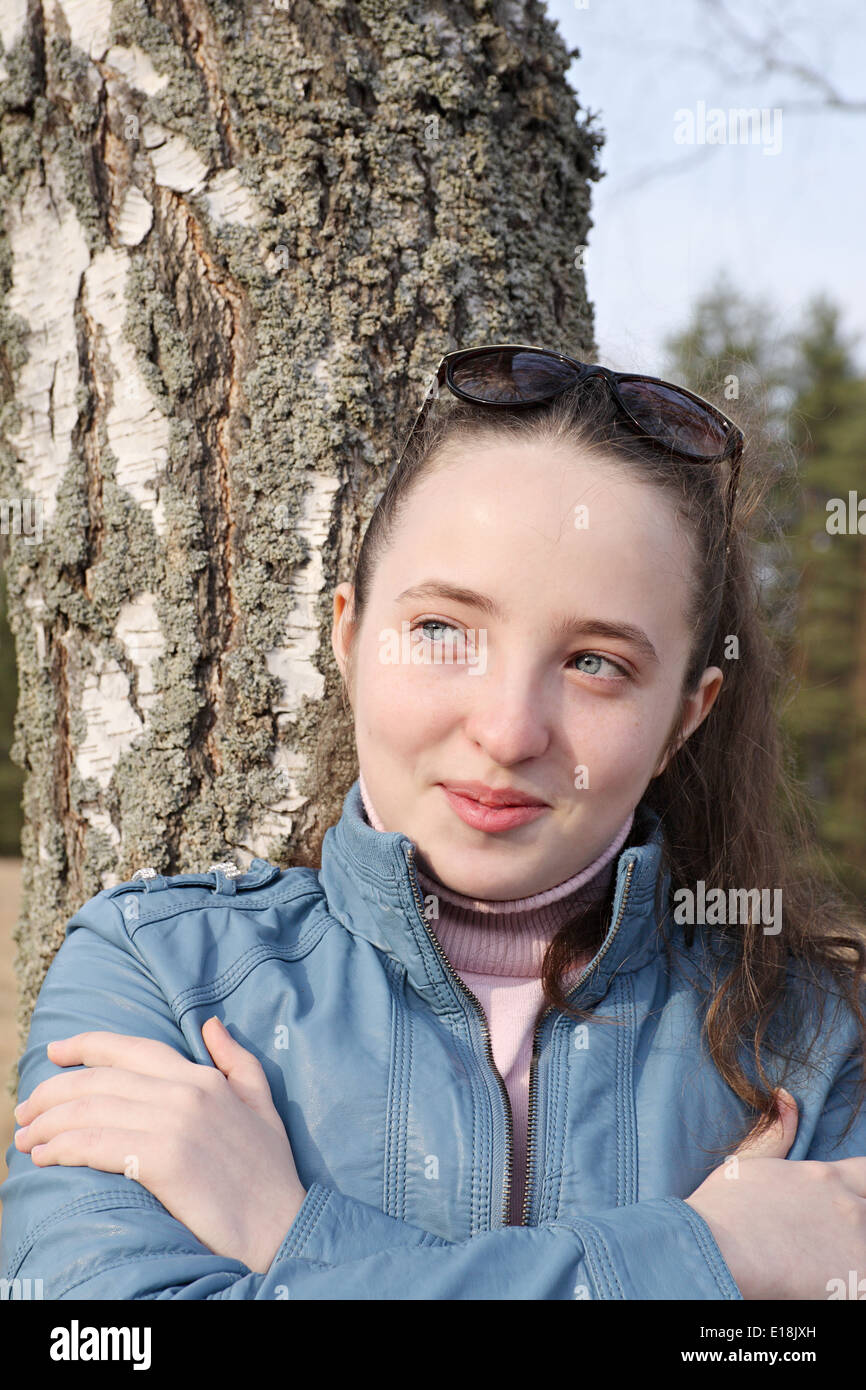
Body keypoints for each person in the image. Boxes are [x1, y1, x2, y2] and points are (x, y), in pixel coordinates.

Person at [2, 344, 865, 1301]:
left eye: (595, 663)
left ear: (681, 721)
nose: (506, 730)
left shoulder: (815, 1037)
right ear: (350, 638)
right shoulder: (164, 973)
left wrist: (294, 1235)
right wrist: (709, 1260)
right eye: (443, 630)